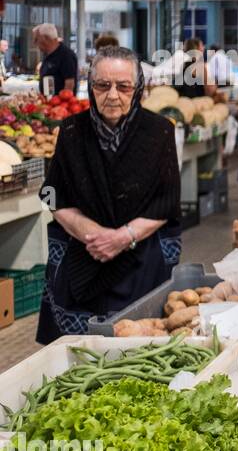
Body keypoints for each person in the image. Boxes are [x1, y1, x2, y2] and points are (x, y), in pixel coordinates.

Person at [36, 46, 181, 343]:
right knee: (78, 353)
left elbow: (167, 202)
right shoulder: (72, 130)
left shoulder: (159, 133)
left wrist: (121, 238)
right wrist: (92, 234)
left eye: (123, 86)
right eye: (103, 85)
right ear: (91, 87)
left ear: (137, 88)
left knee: (135, 345)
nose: (113, 95)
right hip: (82, 255)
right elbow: (51, 194)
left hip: (138, 259)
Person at [33, 23, 78, 97]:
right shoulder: (48, 55)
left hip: (59, 105)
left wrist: (60, 105)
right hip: (49, 102)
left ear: (45, 38)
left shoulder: (66, 55)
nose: (35, 43)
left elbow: (69, 84)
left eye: (36, 39)